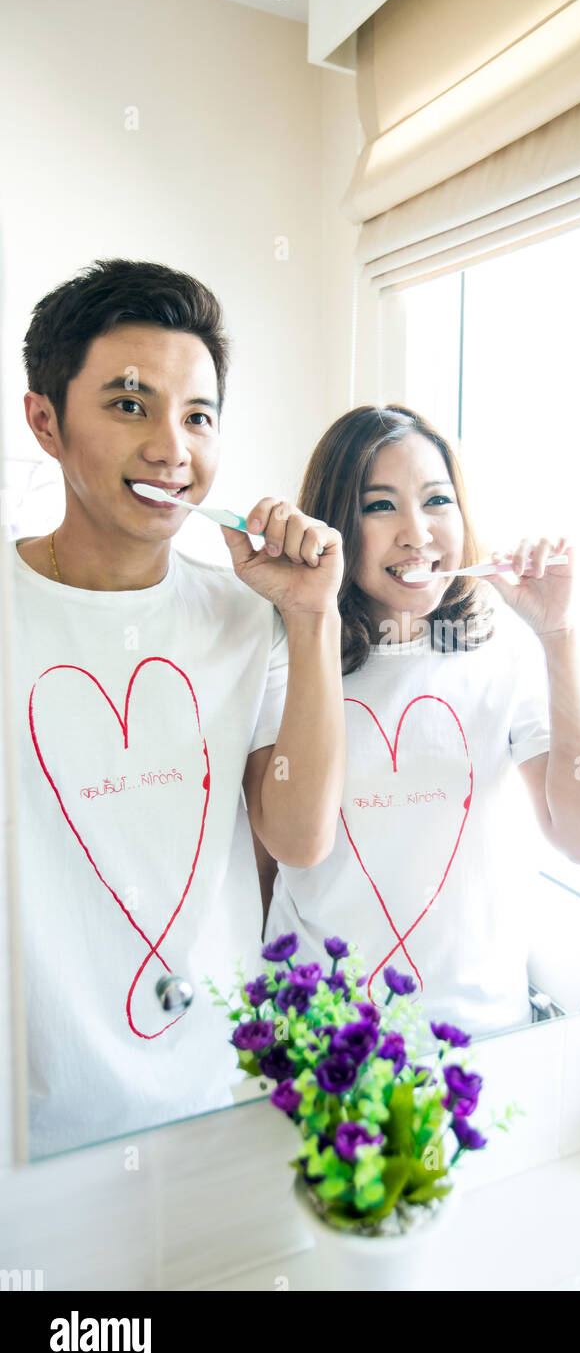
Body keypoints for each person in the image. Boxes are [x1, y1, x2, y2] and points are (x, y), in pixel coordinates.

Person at [13, 259, 346, 1157]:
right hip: (36, 1123)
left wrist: (309, 618)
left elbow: (300, 836)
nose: (173, 448)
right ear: (45, 421)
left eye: (199, 416)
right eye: (129, 405)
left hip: (221, 1098)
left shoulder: (245, 614)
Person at [262, 404, 580, 1037]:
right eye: (379, 506)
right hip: (324, 1040)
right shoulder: (284, 652)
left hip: (480, 1034)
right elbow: (282, 854)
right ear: (335, 522)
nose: (417, 532)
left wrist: (558, 635)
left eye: (436, 500)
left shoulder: (501, 649)